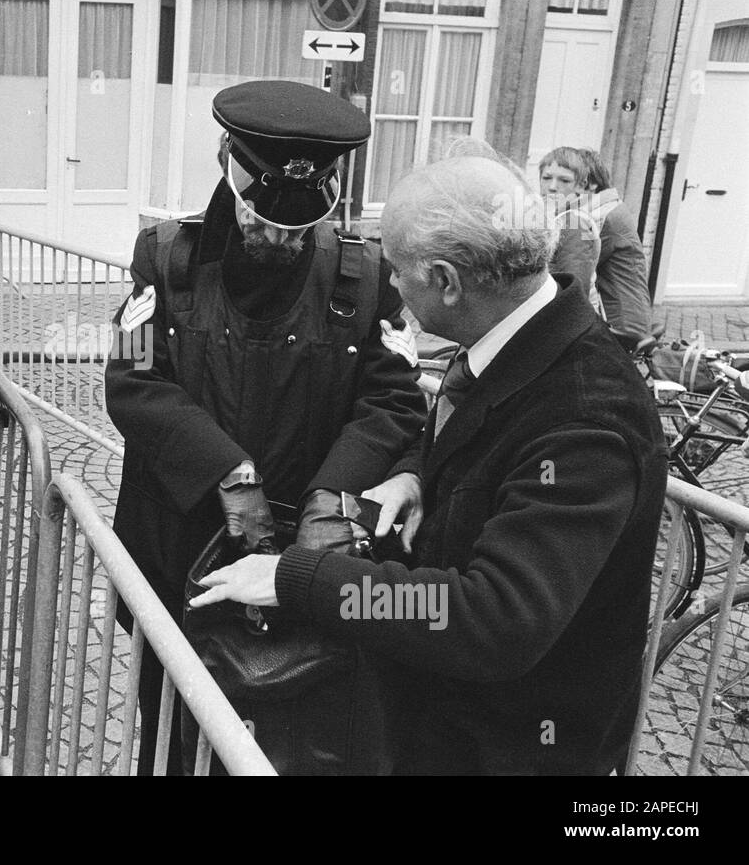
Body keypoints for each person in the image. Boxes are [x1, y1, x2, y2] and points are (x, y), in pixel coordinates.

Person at [191, 154, 669, 775]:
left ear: (446, 282)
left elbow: (496, 618)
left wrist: (300, 581)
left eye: (396, 270)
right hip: (448, 716)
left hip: (513, 749)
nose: (388, 287)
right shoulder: (512, 338)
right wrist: (416, 474)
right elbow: (481, 437)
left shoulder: (585, 420)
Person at [104, 80, 429, 774]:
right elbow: (132, 381)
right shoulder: (163, 257)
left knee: (281, 739)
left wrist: (328, 501)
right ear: (228, 164)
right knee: (168, 734)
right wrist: (229, 472)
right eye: (262, 216)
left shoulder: (364, 276)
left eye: (296, 223)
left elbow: (396, 399)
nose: (278, 236)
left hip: (301, 560)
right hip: (178, 552)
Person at [578, 147, 653, 348]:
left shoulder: (599, 217)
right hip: (630, 312)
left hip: (618, 319)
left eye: (568, 180)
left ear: (592, 184)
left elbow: (573, 268)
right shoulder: (609, 206)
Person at [539, 146, 604, 317]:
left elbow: (574, 290)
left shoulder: (574, 222)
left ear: (581, 186)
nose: (552, 187)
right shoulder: (553, 217)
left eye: (564, 181)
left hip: (568, 321)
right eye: (546, 178)